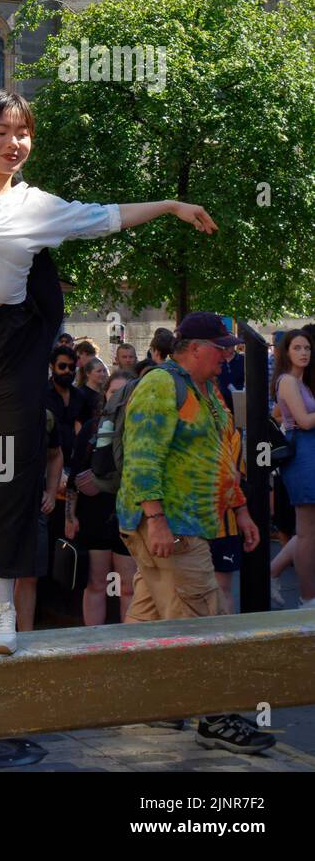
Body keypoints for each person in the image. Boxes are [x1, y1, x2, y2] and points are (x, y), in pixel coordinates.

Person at [0, 80, 217, 655]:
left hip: (23, 331)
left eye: (23, 133)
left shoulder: (36, 203)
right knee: (12, 450)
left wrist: (170, 206)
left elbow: (107, 216)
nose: (16, 142)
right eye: (2, 133)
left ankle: (3, 606)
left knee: (17, 461)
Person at [118, 313, 272, 754]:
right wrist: (157, 520)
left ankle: (158, 704)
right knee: (207, 618)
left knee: (150, 617)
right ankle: (216, 715)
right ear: (194, 348)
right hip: (173, 526)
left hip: (186, 524)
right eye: (221, 348)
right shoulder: (162, 385)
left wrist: (240, 509)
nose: (228, 356)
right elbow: (143, 456)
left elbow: (221, 455)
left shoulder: (206, 391)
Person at [66, 369, 137, 623]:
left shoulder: (141, 431)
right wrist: (70, 515)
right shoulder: (91, 428)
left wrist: (101, 482)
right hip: (93, 516)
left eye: (125, 393)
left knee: (129, 587)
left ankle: (128, 648)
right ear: (105, 396)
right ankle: (94, 643)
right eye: (114, 392)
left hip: (128, 516)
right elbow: (74, 476)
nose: (119, 398)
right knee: (96, 584)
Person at [273, 328, 315, 606]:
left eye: (307, 348)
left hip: (307, 449)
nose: (303, 353)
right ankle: (307, 597)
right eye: (297, 348)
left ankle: (273, 572)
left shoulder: (301, 382)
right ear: (286, 352)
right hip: (303, 452)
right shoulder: (288, 380)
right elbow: (304, 420)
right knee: (307, 532)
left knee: (308, 531)